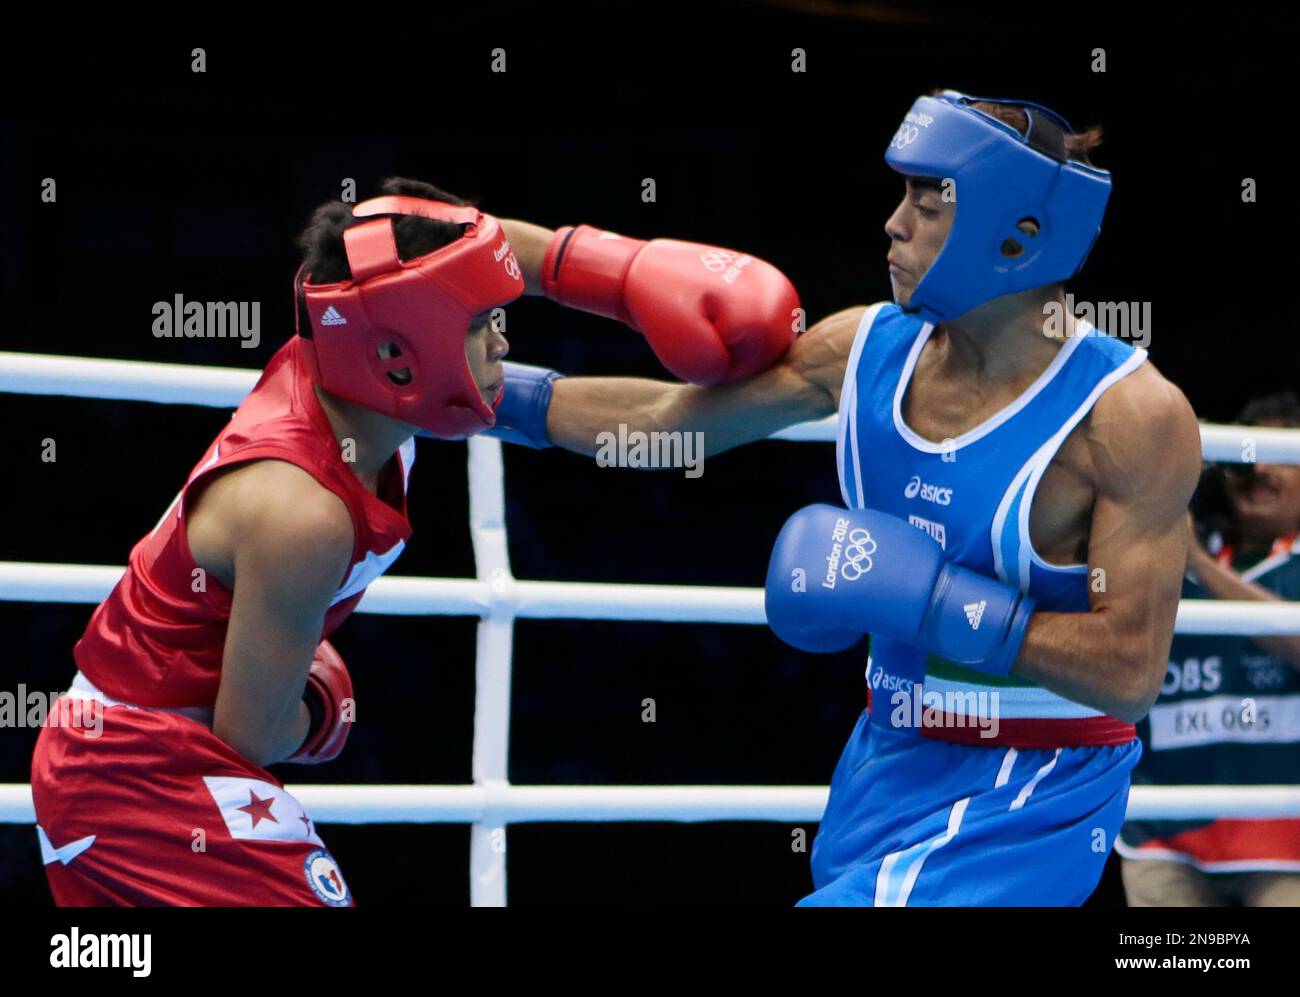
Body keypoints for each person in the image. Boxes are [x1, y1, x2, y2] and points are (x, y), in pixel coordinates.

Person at [491, 91, 1203, 905]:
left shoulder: (1126, 415)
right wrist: (485, 394)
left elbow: (1131, 673)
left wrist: (940, 602)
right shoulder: (864, 348)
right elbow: (664, 425)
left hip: (1034, 783)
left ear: (1017, 234)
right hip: (883, 761)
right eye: (901, 195)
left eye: (927, 205)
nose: (894, 224)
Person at [29, 176, 799, 906]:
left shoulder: (372, 383)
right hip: (138, 770)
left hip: (137, 753)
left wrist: (618, 273)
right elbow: (251, 733)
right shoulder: (302, 509)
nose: (503, 340)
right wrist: (325, 705)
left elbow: (640, 420)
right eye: (478, 323)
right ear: (403, 349)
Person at [1119, 392, 1300, 906]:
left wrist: (1199, 565)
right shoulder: (1169, 547)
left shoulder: (1195, 559)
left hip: (1284, 836)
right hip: (1163, 830)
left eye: (1278, 456)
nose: (1257, 469)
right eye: (1244, 457)